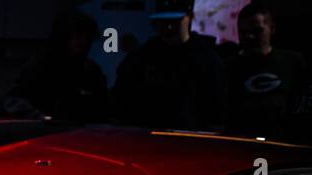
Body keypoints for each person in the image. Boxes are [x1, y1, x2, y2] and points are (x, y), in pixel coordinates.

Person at [113, 0, 226, 131]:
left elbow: (217, 110)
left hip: (192, 143)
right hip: (149, 142)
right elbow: (121, 100)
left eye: (174, 21)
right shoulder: (142, 56)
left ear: (190, 16)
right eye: (163, 21)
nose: (168, 27)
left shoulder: (207, 59)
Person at [5, 9, 109, 122]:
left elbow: (103, 107)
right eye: (78, 35)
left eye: (87, 36)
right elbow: (14, 99)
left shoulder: (91, 71)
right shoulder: (41, 65)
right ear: (64, 35)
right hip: (43, 134)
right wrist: (40, 117)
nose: (83, 41)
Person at [225, 2, 308, 141]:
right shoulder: (229, 67)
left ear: (272, 29)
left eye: (257, 31)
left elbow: (302, 103)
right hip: (242, 145)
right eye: (243, 32)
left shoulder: (293, 62)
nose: (249, 37)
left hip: (282, 144)